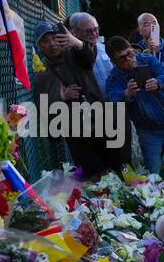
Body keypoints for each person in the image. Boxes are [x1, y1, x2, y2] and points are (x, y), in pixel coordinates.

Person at [31, 20, 123, 177]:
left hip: (100, 119)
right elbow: (43, 106)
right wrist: (61, 96)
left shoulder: (74, 53)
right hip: (75, 131)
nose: (52, 44)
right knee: (93, 174)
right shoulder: (42, 72)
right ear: (40, 47)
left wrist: (76, 42)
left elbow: (89, 56)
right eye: (46, 41)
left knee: (116, 167)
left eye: (54, 38)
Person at [104, 36, 164, 171]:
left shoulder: (147, 60)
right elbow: (111, 98)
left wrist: (158, 82)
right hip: (148, 131)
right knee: (153, 175)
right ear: (113, 61)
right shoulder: (114, 77)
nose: (129, 59)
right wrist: (126, 93)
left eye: (130, 53)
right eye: (122, 58)